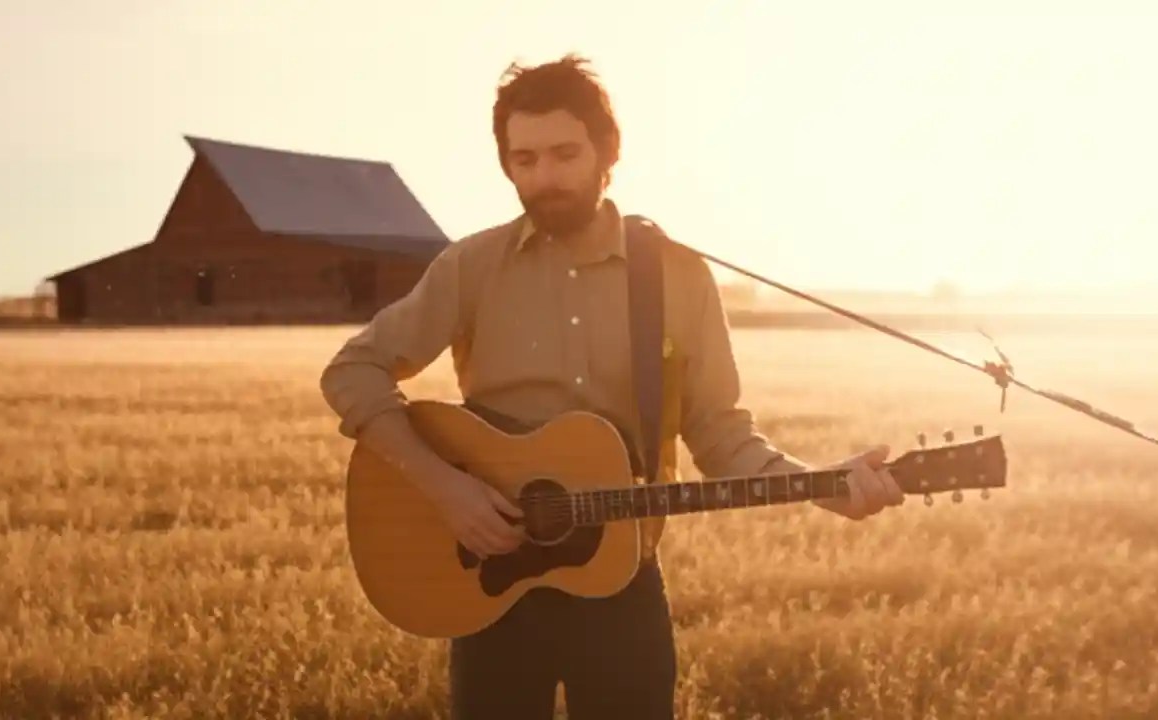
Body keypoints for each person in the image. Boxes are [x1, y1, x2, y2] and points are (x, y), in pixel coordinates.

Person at [319, 54, 904, 720]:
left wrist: (828, 484)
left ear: (608, 152)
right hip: (484, 583)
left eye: (564, 153)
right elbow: (352, 371)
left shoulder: (675, 277)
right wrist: (445, 487)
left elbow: (719, 430)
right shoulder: (471, 267)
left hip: (621, 583)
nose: (544, 178)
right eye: (525, 160)